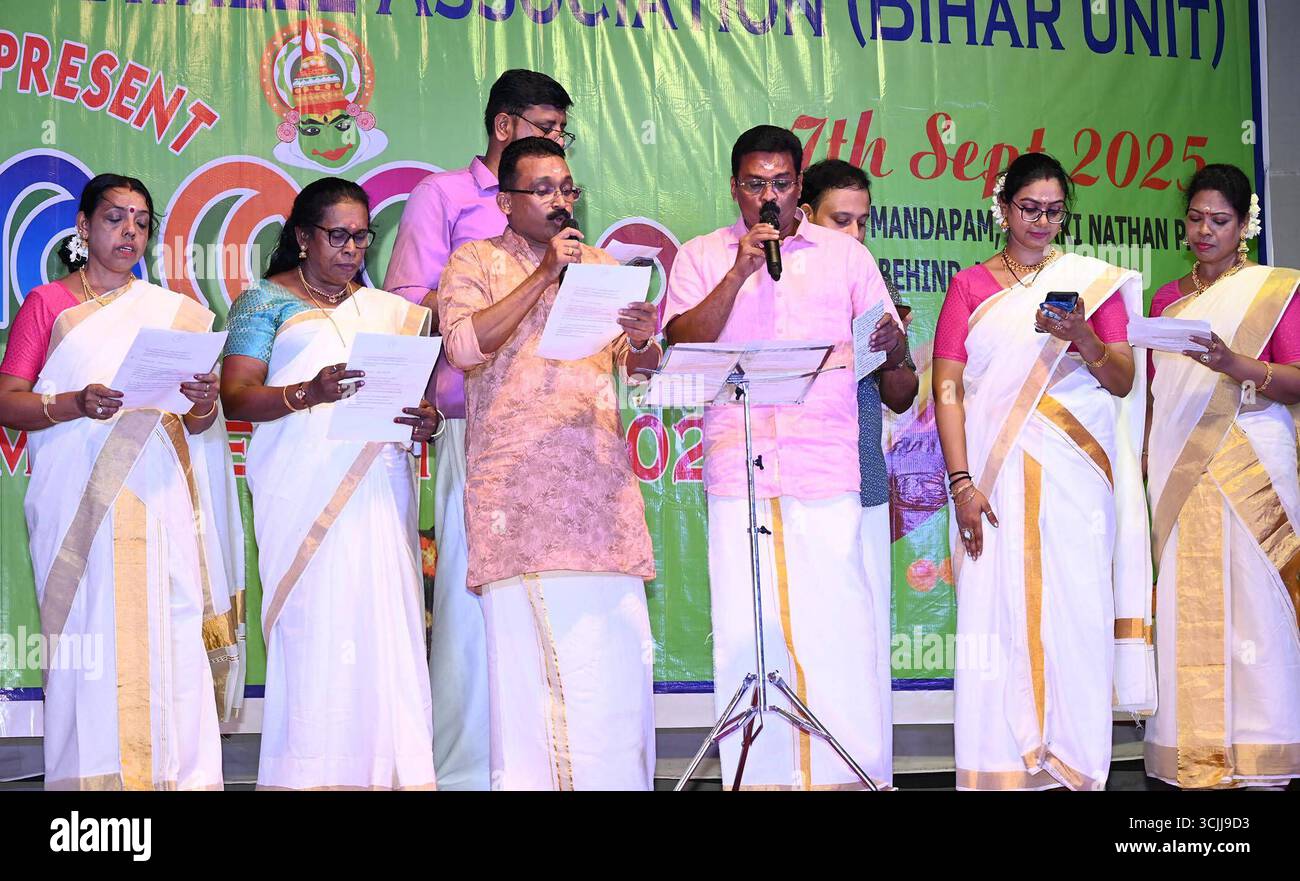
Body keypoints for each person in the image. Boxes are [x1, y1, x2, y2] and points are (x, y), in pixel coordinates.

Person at [664, 126, 900, 790]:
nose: (768, 197)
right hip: (739, 469)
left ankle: (849, 776)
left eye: (782, 183)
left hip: (824, 468)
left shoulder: (844, 257)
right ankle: (760, 778)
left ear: (801, 184)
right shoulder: (702, 255)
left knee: (839, 628)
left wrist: (893, 345)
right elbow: (682, 342)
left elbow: (887, 353)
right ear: (734, 186)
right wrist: (741, 269)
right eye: (754, 184)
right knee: (748, 630)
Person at [0, 173, 240, 790]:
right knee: (92, 644)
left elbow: (201, 419)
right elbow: (8, 401)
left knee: (173, 634)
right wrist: (75, 403)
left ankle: (179, 779)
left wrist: (205, 400)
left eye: (140, 221)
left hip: (159, 505)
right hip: (83, 509)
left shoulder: (174, 316)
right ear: (83, 227)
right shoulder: (49, 305)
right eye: (114, 218)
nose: (129, 232)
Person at [437, 137, 658, 790]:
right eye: (543, 189)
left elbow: (631, 363)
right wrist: (543, 278)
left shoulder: (600, 263)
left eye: (567, 187)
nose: (560, 200)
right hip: (520, 502)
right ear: (506, 201)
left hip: (601, 498)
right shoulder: (474, 259)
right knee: (535, 677)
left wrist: (642, 336)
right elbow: (463, 348)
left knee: (614, 666)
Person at [932, 152, 1151, 791]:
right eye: (1030, 209)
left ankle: (1075, 764)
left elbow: (1121, 379)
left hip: (1076, 475)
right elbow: (948, 389)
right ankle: (1003, 766)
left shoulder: (1092, 283)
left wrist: (1083, 335)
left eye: (1055, 211)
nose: (1042, 222)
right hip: (992, 484)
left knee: (1077, 612)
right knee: (994, 617)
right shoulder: (970, 285)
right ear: (1002, 207)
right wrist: (961, 483)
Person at [384, 69, 573, 791]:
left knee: (549, 596)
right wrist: (495, 288)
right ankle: (465, 768)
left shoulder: (559, 219)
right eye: (546, 128)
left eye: (562, 135)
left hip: (556, 429)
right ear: (504, 128)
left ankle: (545, 755)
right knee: (473, 595)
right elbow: (407, 304)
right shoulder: (441, 196)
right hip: (475, 416)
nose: (557, 146)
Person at [220, 177, 441, 790]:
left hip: (378, 490)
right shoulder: (263, 303)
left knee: (385, 634)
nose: (352, 249)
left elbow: (415, 396)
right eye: (337, 235)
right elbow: (235, 396)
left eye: (362, 236)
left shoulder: (390, 314)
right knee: (315, 635)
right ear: (301, 236)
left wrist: (426, 420)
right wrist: (307, 392)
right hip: (302, 494)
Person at [1144, 163, 1300, 789]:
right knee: (1189, 604)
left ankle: (1263, 752)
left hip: (1253, 460)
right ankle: (1194, 753)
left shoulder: (1274, 290)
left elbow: (1295, 377)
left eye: (1219, 221)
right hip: (1180, 470)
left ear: (1245, 226)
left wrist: (1234, 363)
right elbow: (1156, 396)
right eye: (1195, 218)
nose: (1204, 231)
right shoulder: (1165, 301)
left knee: (1256, 604)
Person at [799, 158, 918, 771]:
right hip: (789, 486)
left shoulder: (872, 284)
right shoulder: (779, 280)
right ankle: (800, 769)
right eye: (839, 221)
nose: (854, 236)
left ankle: (863, 772)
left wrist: (896, 349)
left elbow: (901, 395)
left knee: (862, 632)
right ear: (804, 215)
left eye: (862, 223)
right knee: (806, 633)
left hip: (862, 484)